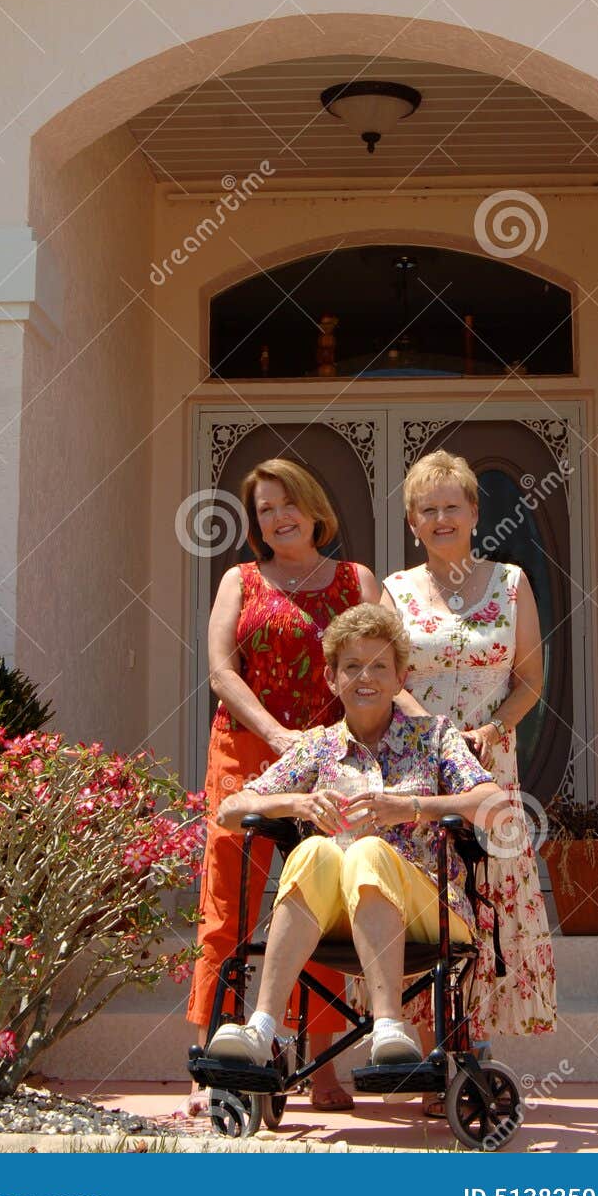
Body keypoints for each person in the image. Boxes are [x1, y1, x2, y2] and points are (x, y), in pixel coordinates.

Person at [207, 601, 503, 1069]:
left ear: (400, 677)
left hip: (432, 913)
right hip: (336, 917)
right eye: (352, 666)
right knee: (312, 852)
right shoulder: (317, 746)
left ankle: (388, 1026)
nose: (366, 677)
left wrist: (410, 808)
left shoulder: (434, 735)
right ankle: (261, 1029)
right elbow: (230, 810)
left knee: (368, 851)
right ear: (332, 678)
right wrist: (295, 803)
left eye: (379, 666)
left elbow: (495, 804)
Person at [186, 458, 379, 1114]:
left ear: (314, 507)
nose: (277, 517)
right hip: (243, 756)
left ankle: (323, 1069)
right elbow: (220, 670)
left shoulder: (356, 580)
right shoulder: (239, 580)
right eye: (264, 509)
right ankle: (213, 1061)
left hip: (329, 764)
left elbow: (382, 667)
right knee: (227, 909)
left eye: (286, 503)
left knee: (319, 906)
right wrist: (274, 733)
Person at [382, 449, 557, 1051]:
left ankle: (469, 1041)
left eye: (451, 506)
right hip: (417, 770)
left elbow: (530, 679)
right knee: (426, 902)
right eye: (427, 510)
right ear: (412, 524)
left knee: (483, 898)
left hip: (489, 767)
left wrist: (496, 726)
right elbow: (385, 680)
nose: (441, 518)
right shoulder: (396, 592)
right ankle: (424, 1043)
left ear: (475, 512)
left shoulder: (512, 584)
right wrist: (434, 732)